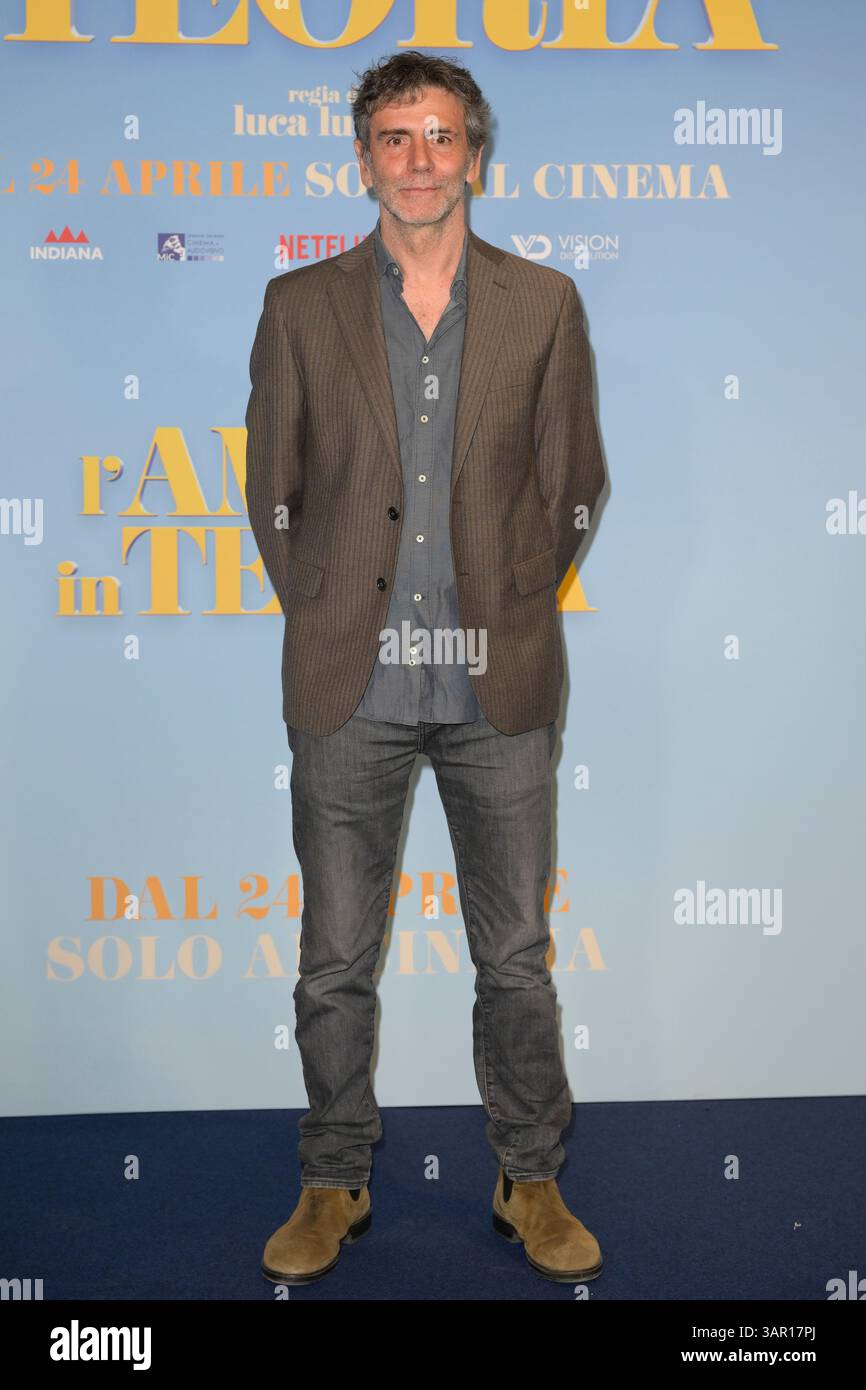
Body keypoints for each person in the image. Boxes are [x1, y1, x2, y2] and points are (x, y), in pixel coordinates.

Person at [244, 49, 606, 1287]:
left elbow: (574, 486)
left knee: (514, 957)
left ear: (474, 155)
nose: (417, 160)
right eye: (393, 138)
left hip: (497, 686)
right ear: (361, 160)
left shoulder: (544, 303)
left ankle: (528, 1176)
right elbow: (270, 490)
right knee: (334, 956)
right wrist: (338, 612)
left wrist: (510, 597)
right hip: (348, 685)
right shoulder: (300, 307)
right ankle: (332, 1175)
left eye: (438, 136)